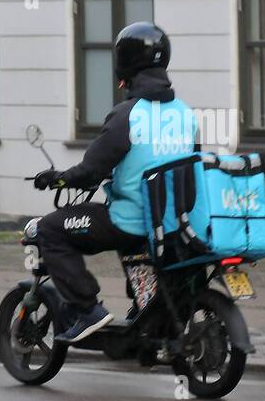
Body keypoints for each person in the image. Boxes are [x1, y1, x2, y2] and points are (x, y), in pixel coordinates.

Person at [33, 22, 197, 343]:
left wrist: (59, 179)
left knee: (50, 229)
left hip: (131, 220)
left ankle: (86, 310)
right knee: (130, 239)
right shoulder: (185, 114)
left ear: (125, 63)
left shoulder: (127, 115)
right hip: (169, 222)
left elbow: (91, 171)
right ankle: (144, 310)